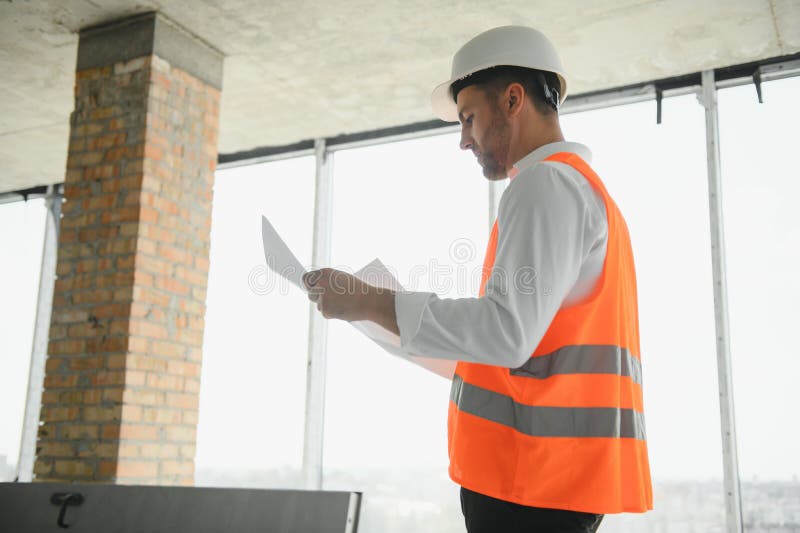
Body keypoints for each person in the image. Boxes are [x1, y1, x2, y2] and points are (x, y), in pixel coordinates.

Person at [303, 26, 653, 533]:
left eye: (468, 118)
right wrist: (392, 323)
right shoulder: (571, 188)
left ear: (513, 100)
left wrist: (373, 301)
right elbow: (525, 350)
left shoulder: (546, 183)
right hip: (545, 483)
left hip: (530, 486)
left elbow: (506, 334)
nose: (463, 139)